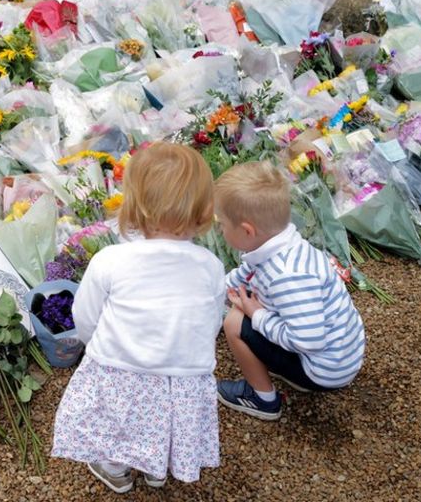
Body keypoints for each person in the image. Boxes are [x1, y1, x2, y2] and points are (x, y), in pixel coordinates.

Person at [51, 142, 226, 493]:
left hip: (121, 368)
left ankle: (115, 469)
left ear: (133, 204)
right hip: (183, 373)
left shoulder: (112, 260)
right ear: (203, 210)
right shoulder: (210, 265)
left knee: (116, 423)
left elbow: (84, 316)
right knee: (165, 417)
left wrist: (95, 347)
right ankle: (157, 466)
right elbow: (213, 319)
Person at [213, 161, 365, 420]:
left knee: (235, 321)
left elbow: (308, 340)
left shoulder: (286, 276)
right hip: (338, 354)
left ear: (247, 230)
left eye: (223, 225)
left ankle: (262, 399)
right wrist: (207, 291)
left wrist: (257, 315)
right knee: (247, 308)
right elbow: (243, 276)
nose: (220, 230)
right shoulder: (279, 245)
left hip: (325, 368)